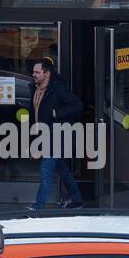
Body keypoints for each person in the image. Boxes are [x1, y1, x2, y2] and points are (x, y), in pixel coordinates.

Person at [30, 57, 84, 209]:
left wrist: (56, 113)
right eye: (33, 71)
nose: (33, 74)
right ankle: (76, 199)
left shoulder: (58, 88)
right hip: (44, 135)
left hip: (58, 136)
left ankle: (37, 207)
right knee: (62, 170)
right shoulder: (34, 88)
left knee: (45, 171)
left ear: (47, 73)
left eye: (37, 72)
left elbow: (78, 105)